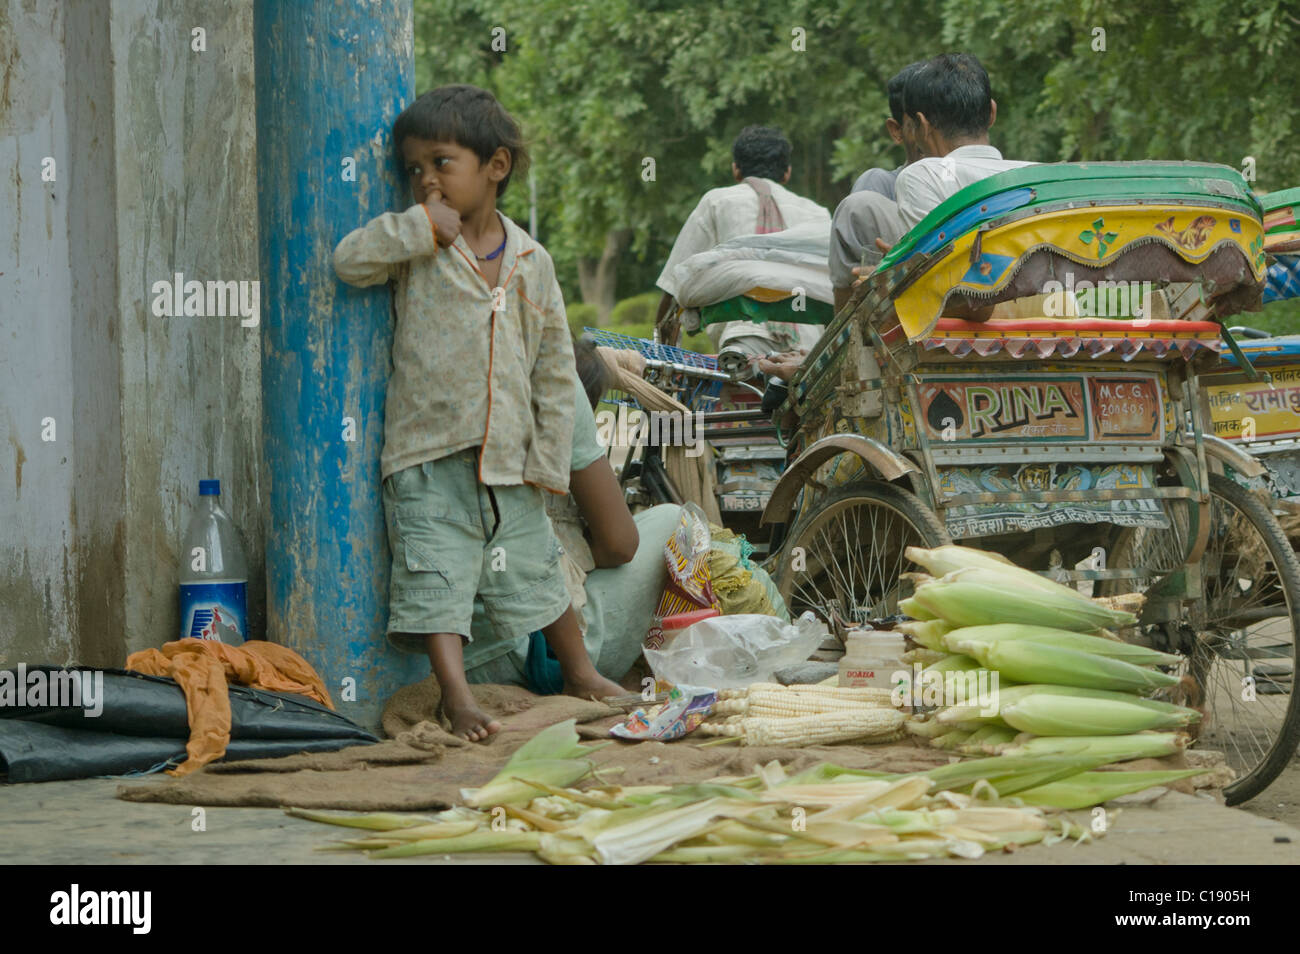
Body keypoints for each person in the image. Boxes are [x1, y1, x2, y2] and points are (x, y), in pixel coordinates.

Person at [332, 85, 622, 742]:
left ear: (496, 167)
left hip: (510, 461)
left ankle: (581, 672)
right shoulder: (417, 248)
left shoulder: (531, 261)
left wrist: (546, 459)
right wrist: (414, 228)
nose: (426, 181)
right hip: (428, 457)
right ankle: (458, 698)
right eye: (414, 170)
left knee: (538, 568)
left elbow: (551, 365)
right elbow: (349, 262)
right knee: (438, 574)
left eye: (442, 163)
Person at [463, 340, 682, 693]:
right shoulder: (555, 382)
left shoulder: (452, 371)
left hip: (452, 651)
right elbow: (620, 546)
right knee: (673, 518)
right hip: (529, 655)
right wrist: (574, 555)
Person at [655, 125, 831, 350]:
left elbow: (674, 283)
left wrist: (660, 349)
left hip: (743, 339)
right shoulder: (818, 213)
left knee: (742, 381)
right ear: (787, 172)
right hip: (809, 347)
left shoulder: (717, 201)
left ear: (735, 169)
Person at [894, 53, 1033, 229]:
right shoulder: (1042, 176)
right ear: (992, 113)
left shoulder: (923, 177)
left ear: (923, 125)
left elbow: (942, 256)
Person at [850, 61, 927, 200]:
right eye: (917, 125)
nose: (929, 136)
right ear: (896, 131)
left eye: (939, 125)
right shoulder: (880, 186)